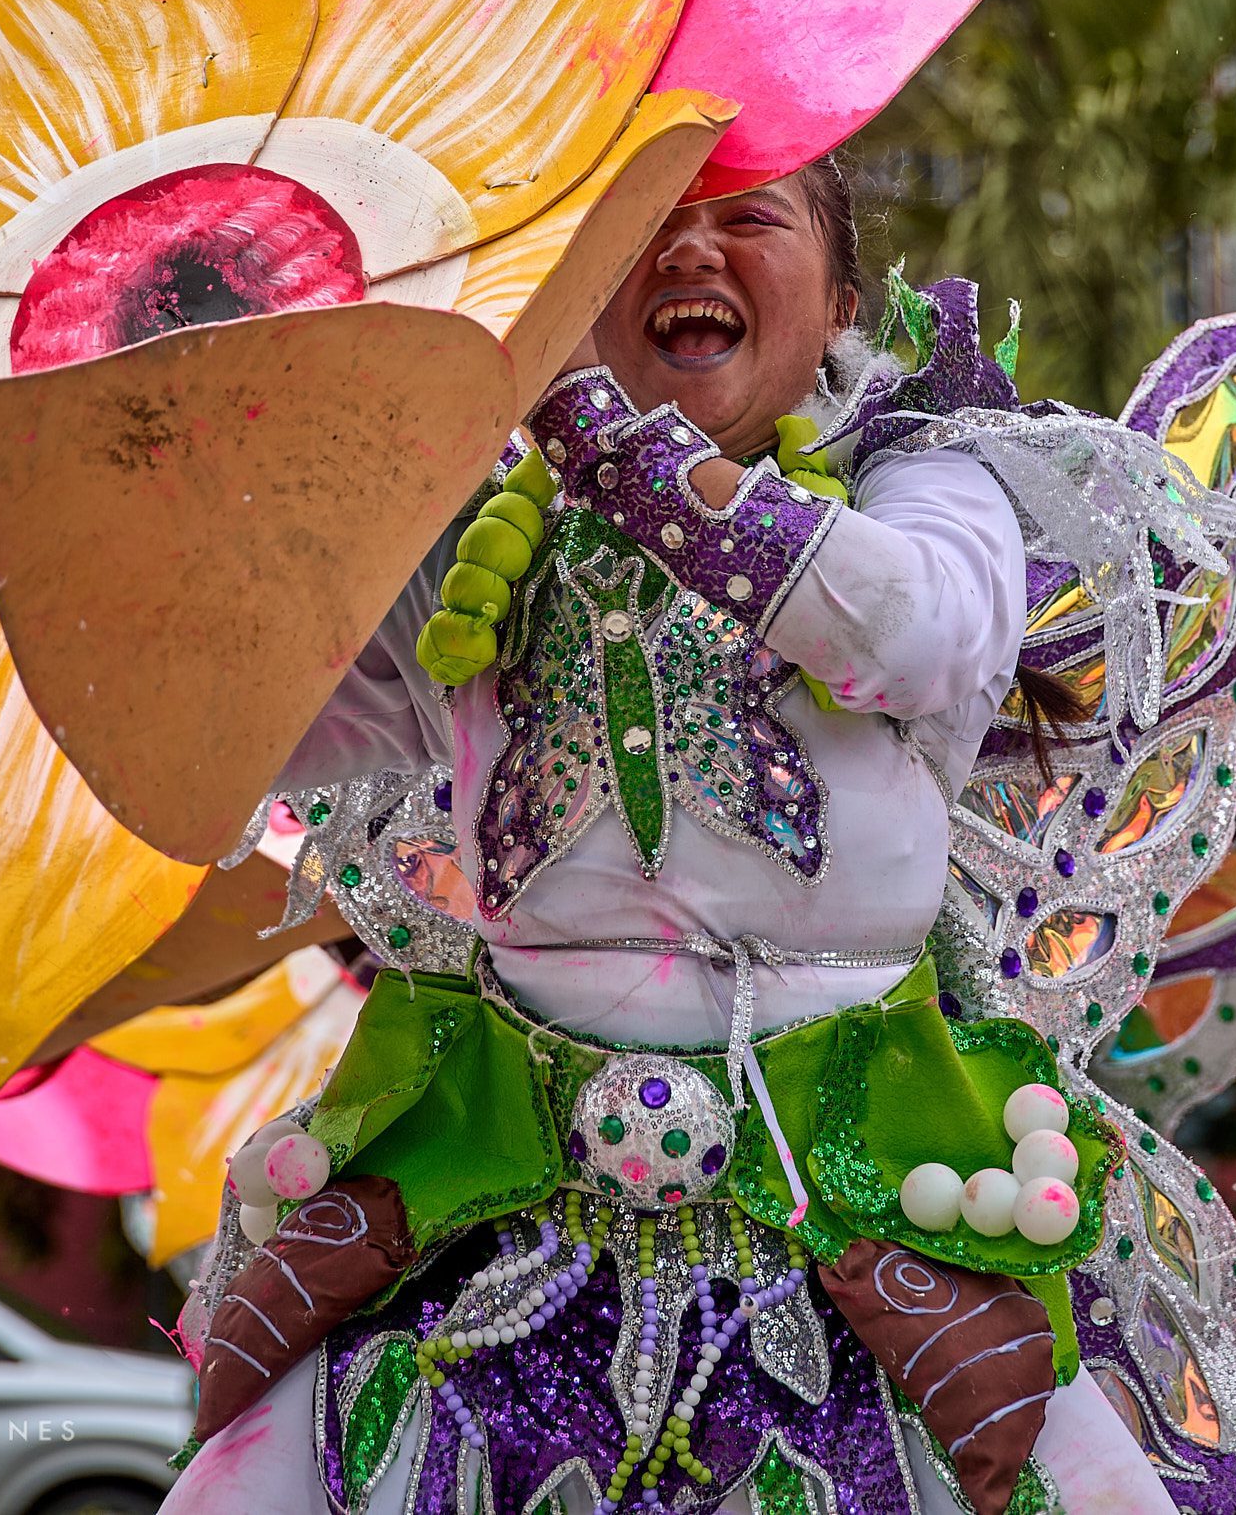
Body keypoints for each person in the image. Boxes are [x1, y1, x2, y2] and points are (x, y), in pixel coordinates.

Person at [167, 158, 1181, 1515]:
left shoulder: (931, 493)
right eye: (641, 231)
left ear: (838, 309)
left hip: (872, 1194)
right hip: (502, 1191)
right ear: (568, 297)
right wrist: (215, 456)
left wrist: (610, 443)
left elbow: (916, 632)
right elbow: (211, 730)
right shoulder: (477, 541)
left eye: (747, 220)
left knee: (1094, 1492)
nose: (693, 253)